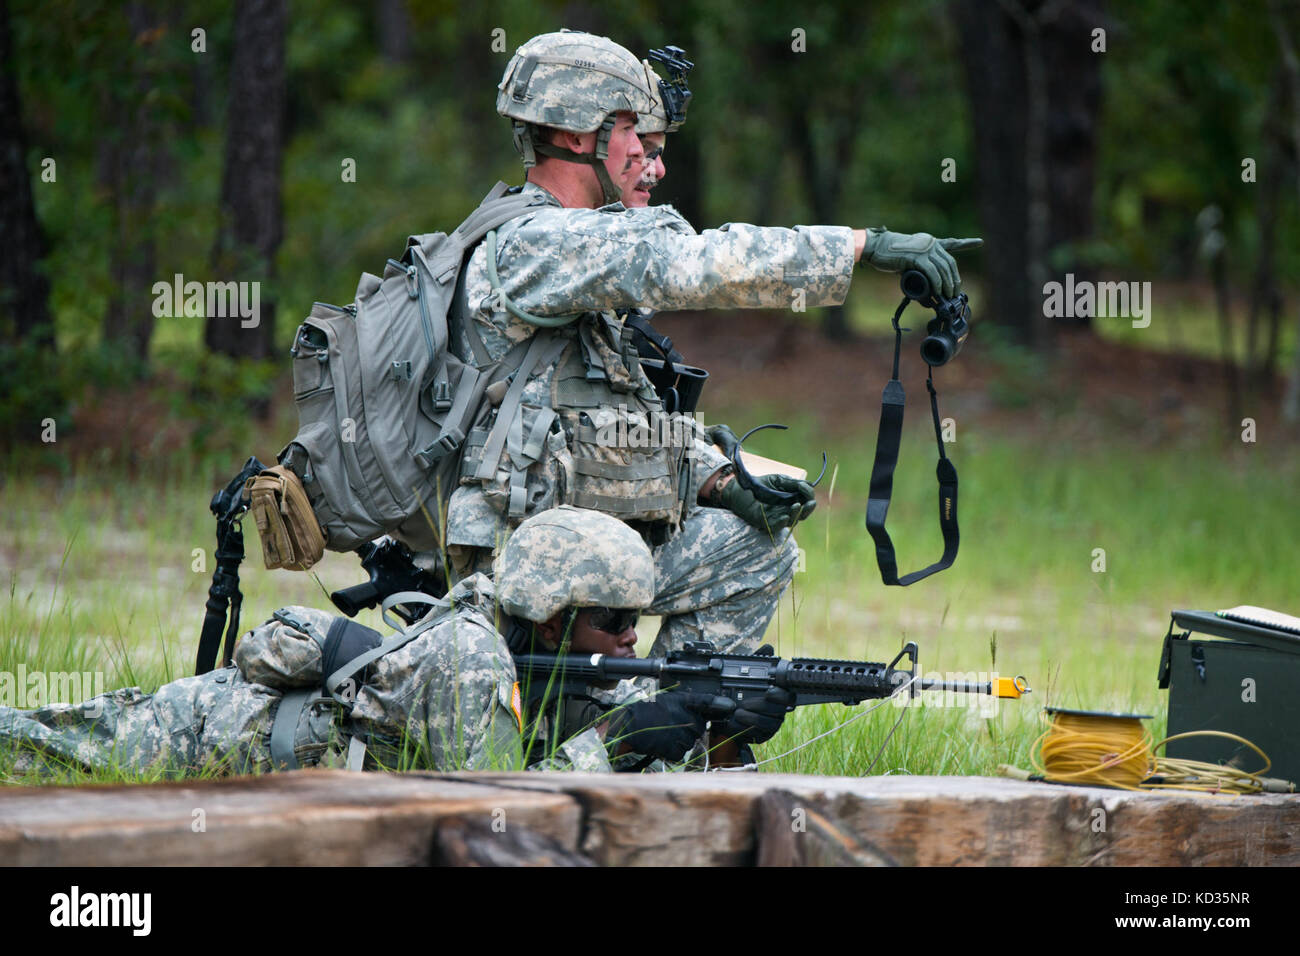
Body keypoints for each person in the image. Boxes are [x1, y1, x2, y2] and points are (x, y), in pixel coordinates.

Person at [441, 30, 981, 660]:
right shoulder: (538, 243)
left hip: (579, 544)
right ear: (575, 136)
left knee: (754, 547)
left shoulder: (580, 256)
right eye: (633, 138)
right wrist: (862, 246)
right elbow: (697, 261)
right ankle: (633, 728)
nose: (655, 165)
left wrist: (718, 480)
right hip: (516, 561)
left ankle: (668, 731)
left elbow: (611, 416)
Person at [0, 508, 785, 780]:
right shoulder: (474, 660)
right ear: (553, 621)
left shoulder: (535, 649)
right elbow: (500, 816)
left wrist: (705, 732)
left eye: (635, 624)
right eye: (615, 623)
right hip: (213, 735)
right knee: (34, 748)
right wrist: (618, 742)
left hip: (282, 758)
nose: (630, 641)